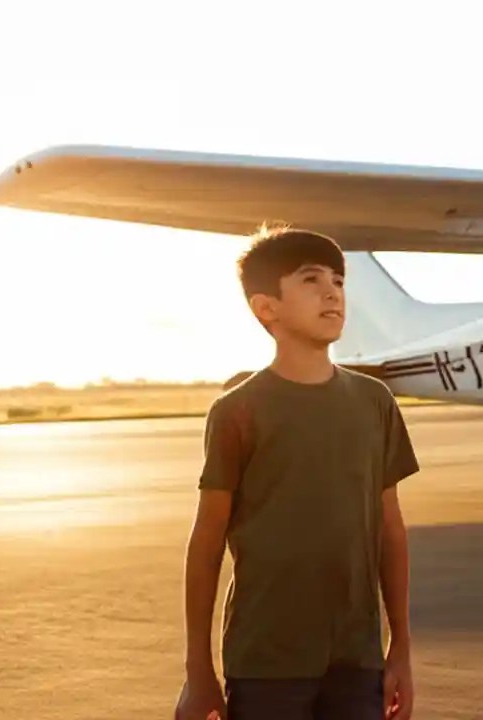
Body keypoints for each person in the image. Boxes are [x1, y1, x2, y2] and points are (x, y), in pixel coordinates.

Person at [176, 226, 419, 720]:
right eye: (311, 280)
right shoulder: (238, 412)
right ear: (267, 308)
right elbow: (206, 544)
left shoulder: (375, 403)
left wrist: (401, 649)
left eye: (338, 280)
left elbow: (390, 531)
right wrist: (198, 671)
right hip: (267, 664)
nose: (332, 291)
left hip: (357, 661)